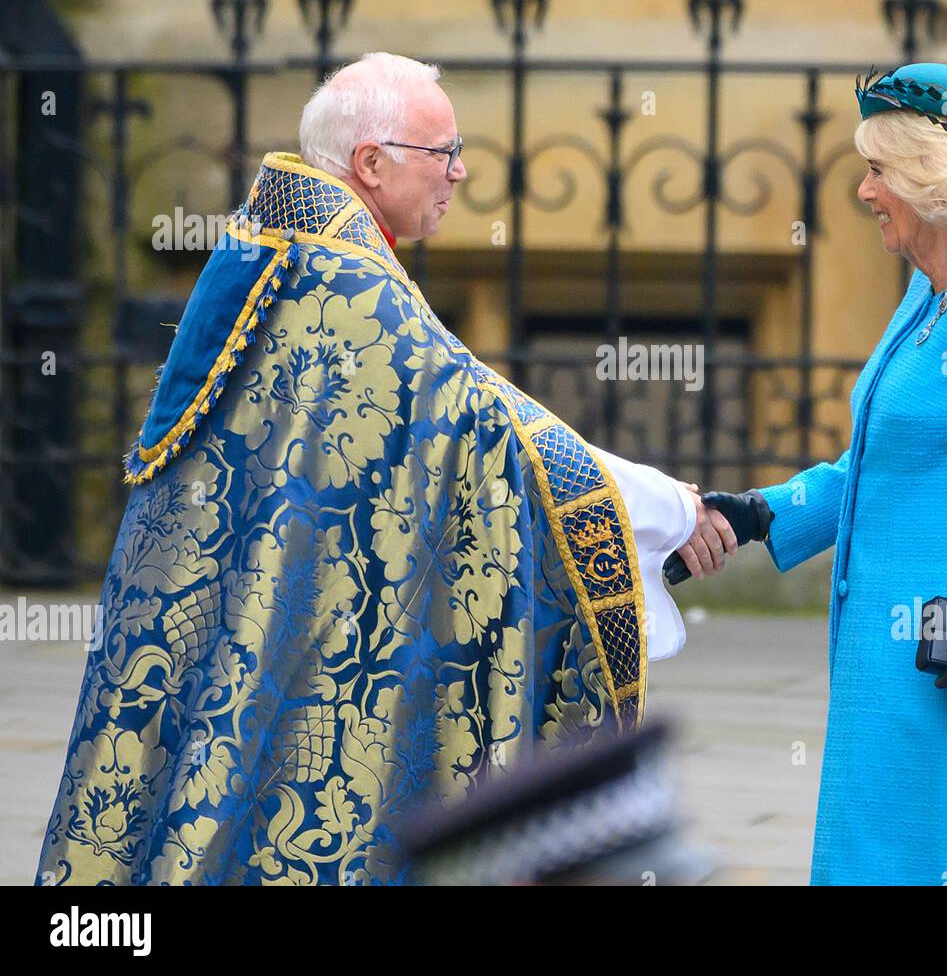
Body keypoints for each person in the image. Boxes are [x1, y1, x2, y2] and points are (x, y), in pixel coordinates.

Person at [34, 52, 734, 886]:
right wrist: (671, 512)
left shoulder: (279, 243)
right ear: (371, 162)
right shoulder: (348, 281)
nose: (462, 171)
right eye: (445, 151)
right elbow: (490, 425)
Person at [698, 64, 947, 885]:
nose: (864, 192)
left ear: (932, 176)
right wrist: (759, 515)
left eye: (879, 171)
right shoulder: (935, 289)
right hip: (899, 665)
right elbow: (880, 462)